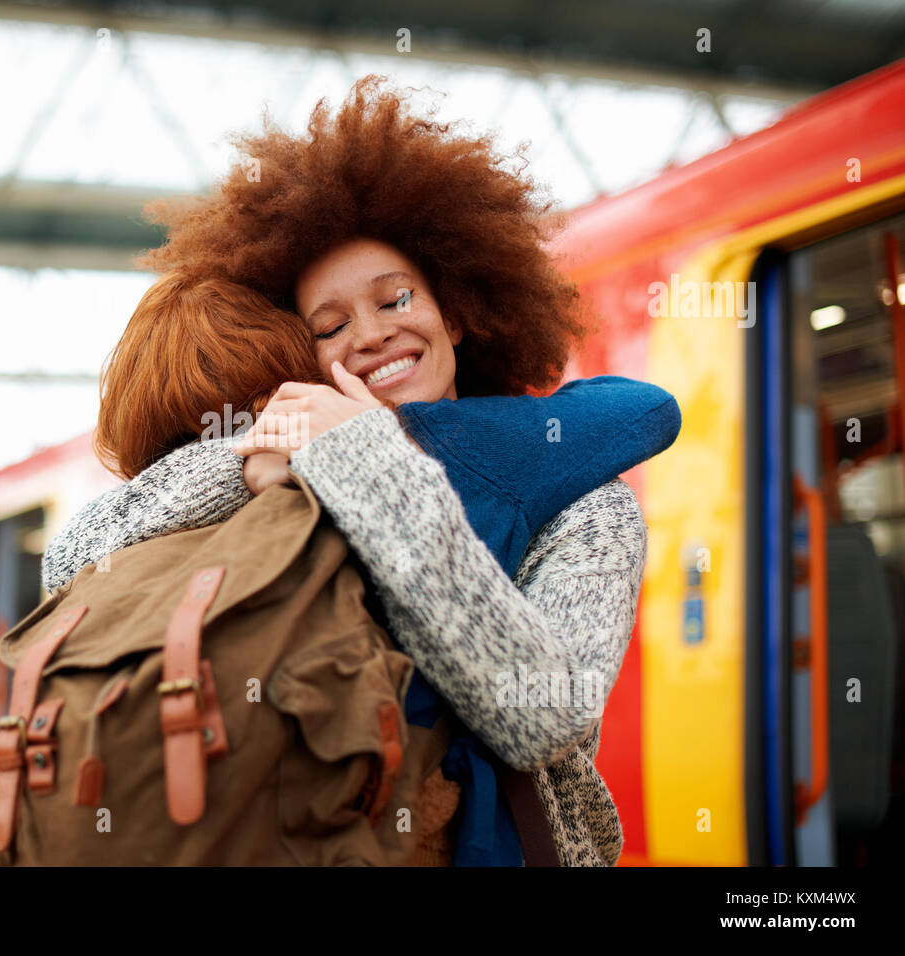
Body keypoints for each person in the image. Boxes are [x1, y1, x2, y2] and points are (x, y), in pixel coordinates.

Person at [43, 75, 678, 865]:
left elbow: (543, 720)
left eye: (395, 299)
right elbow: (70, 562)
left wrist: (374, 462)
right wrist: (246, 468)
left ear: (454, 309)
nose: (371, 335)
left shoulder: (584, 506)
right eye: (331, 325)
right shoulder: (271, 469)